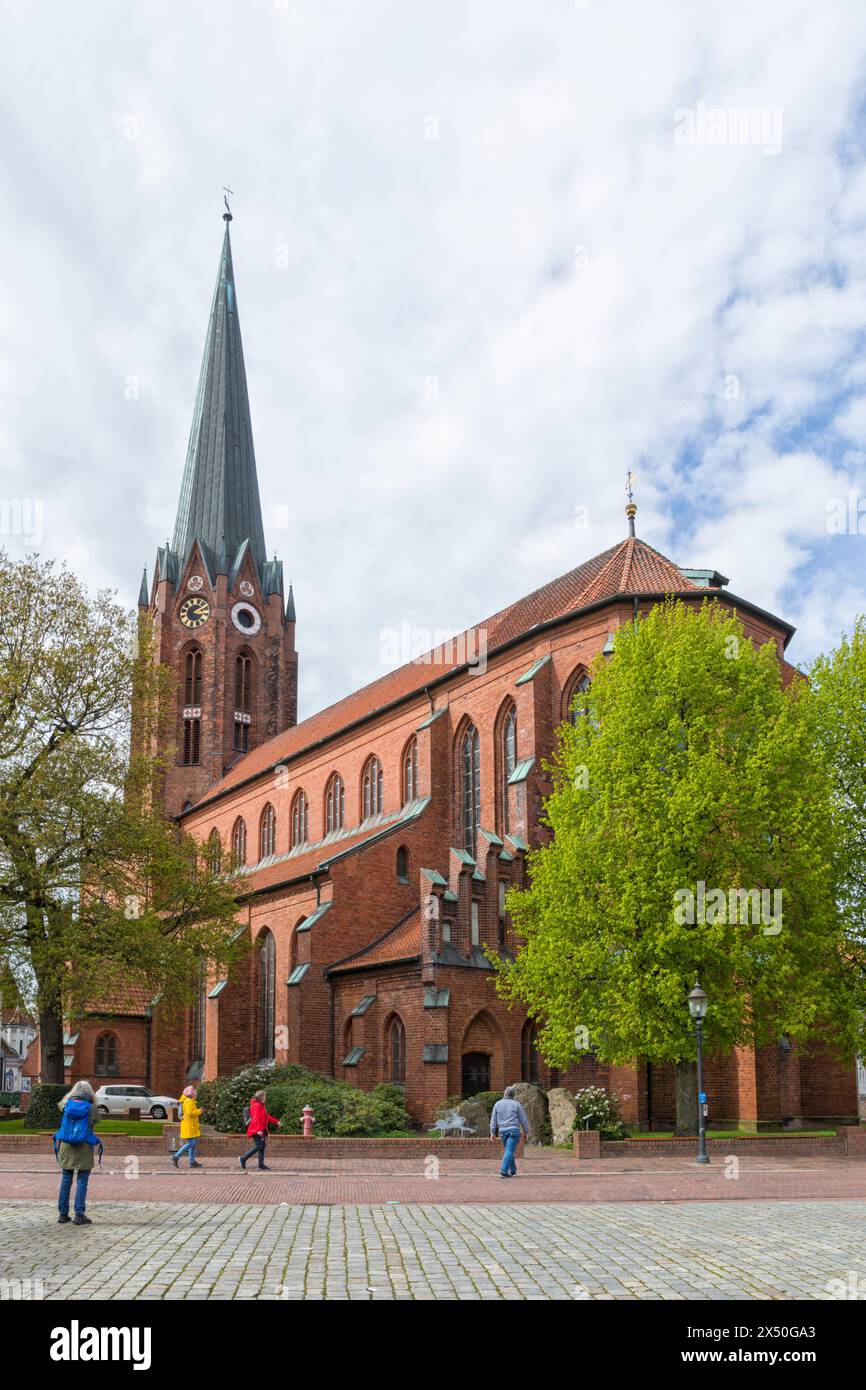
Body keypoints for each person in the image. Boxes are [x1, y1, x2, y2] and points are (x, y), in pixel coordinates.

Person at [55, 1080, 100, 1225]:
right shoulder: (92, 1107)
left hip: (66, 1145)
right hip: (84, 1145)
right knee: (82, 1180)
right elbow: (97, 1120)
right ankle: (79, 1215)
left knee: (66, 1178)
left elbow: (59, 1106)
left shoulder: (66, 1103)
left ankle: (63, 1214)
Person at [489, 1086, 530, 1178]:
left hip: (502, 1131)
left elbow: (493, 1120)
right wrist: (526, 1132)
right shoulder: (516, 1104)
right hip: (513, 1130)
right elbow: (523, 1119)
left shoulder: (497, 1104)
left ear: (504, 1094)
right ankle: (503, 1171)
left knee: (508, 1150)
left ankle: (513, 1171)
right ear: (513, 1095)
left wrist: (492, 1132)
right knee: (509, 1150)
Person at [239, 1089, 279, 1171]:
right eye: (265, 1096)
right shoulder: (257, 1106)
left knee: (262, 1146)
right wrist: (258, 1130)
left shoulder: (261, 1105)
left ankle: (261, 1165)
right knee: (259, 1146)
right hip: (257, 1129)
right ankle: (243, 1158)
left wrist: (276, 1122)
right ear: (261, 1097)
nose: (266, 1098)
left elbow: (266, 1116)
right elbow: (256, 1119)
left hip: (261, 1129)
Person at [171, 1085, 204, 1169]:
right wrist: (199, 1111)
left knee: (194, 1144)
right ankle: (176, 1156)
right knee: (192, 1143)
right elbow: (190, 1113)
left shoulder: (190, 1101)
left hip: (191, 1125)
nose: (196, 1093)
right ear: (191, 1093)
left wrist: (198, 1111)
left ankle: (192, 1162)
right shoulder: (188, 1101)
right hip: (189, 1126)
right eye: (195, 1092)